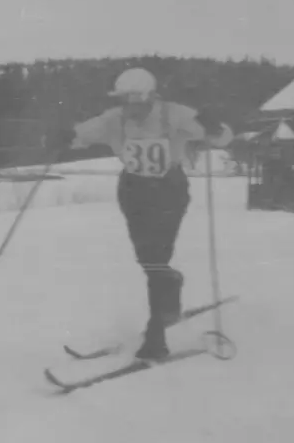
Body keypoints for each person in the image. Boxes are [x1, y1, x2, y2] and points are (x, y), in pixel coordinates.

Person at [68, 67, 232, 362]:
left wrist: (215, 127)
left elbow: (221, 139)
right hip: (133, 191)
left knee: (156, 258)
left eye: (136, 101)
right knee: (147, 258)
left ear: (149, 97)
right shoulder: (114, 119)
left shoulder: (175, 114)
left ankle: (157, 332)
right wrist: (65, 136)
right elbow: (81, 134)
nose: (131, 108)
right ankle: (171, 284)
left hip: (168, 189)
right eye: (125, 101)